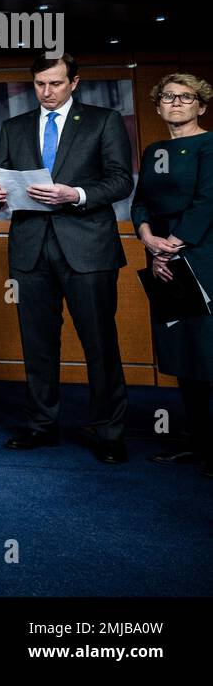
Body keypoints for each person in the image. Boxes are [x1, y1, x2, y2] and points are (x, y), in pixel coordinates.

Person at [0, 53, 134, 463]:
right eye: (39, 84)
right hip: (30, 247)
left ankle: (109, 431)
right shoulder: (13, 127)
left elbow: (121, 179)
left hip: (87, 247)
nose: (46, 92)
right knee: (37, 345)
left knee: (100, 344)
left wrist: (77, 195)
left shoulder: (103, 120)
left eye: (55, 83)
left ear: (74, 82)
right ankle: (41, 425)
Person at [132, 73, 213, 477]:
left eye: (186, 97)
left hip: (203, 259)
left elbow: (206, 202)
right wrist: (149, 239)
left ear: (201, 105)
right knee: (183, 352)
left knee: (208, 351)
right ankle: (199, 442)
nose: (176, 102)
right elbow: (141, 202)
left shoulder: (209, 145)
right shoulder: (154, 151)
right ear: (158, 105)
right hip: (164, 262)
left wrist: (173, 245)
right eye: (168, 96)